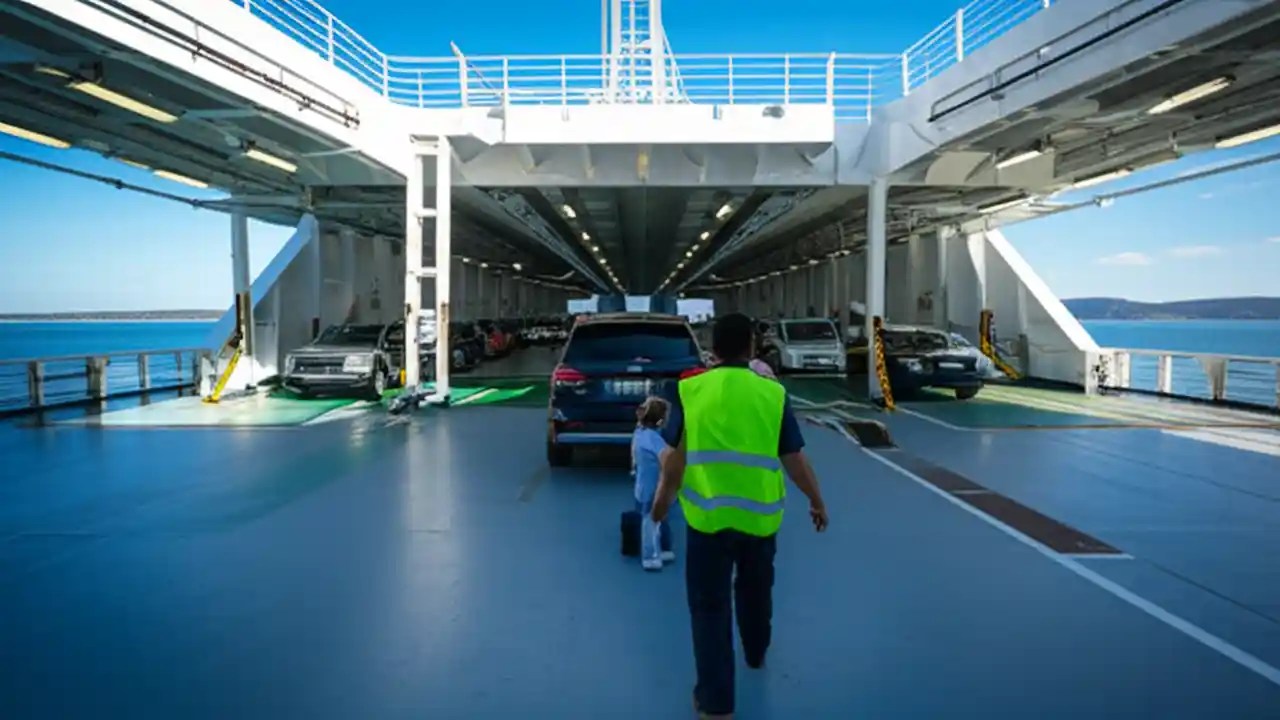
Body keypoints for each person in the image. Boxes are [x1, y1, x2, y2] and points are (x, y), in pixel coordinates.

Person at [651, 312, 828, 720]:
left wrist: (660, 506)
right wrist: (816, 500)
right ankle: (755, 650)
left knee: (709, 609)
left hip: (707, 521)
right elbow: (794, 459)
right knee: (756, 591)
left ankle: (716, 704)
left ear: (712, 349)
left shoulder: (690, 390)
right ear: (751, 348)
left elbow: (675, 463)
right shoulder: (772, 394)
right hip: (760, 521)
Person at [633, 396, 674, 570]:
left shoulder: (640, 432)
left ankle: (663, 548)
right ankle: (650, 556)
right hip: (653, 486)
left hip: (643, 484)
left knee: (660, 516)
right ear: (661, 419)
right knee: (651, 519)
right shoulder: (654, 439)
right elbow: (666, 458)